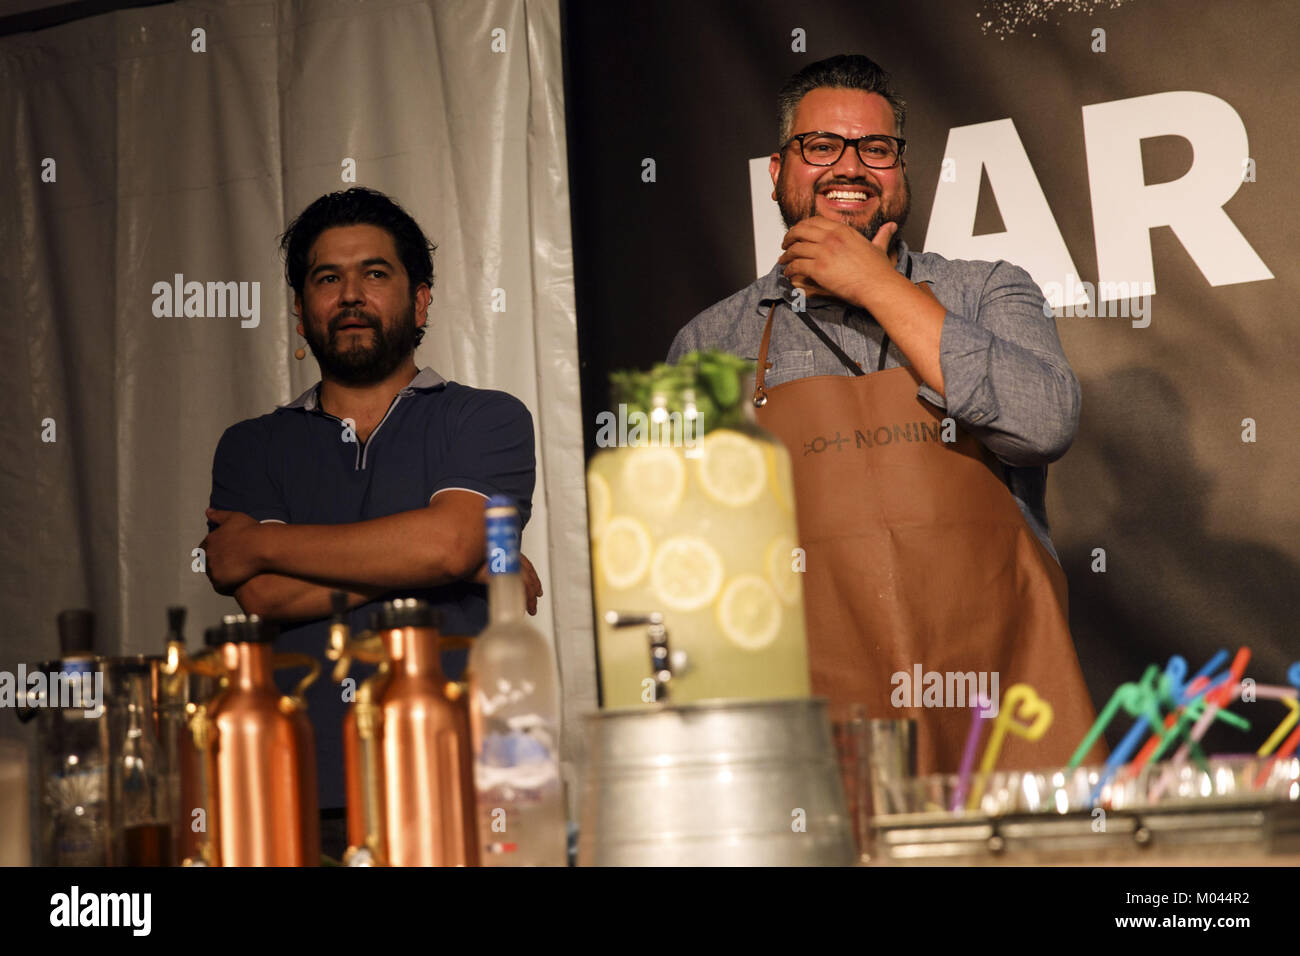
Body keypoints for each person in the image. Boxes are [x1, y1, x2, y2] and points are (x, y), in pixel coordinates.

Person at [668, 54, 1105, 774]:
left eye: (876, 149)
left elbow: (1043, 422)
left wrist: (874, 283)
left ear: (900, 173)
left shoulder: (989, 291)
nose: (851, 166)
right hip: (809, 714)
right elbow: (692, 552)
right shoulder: (709, 342)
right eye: (821, 147)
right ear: (777, 172)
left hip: (996, 690)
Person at [201, 186, 542, 821]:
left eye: (374, 274)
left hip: (465, 792)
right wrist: (445, 562)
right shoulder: (250, 446)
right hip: (297, 798)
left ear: (419, 302)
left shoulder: (488, 418)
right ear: (301, 313)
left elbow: (449, 544)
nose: (351, 295)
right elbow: (264, 597)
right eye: (328, 278)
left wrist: (255, 544)